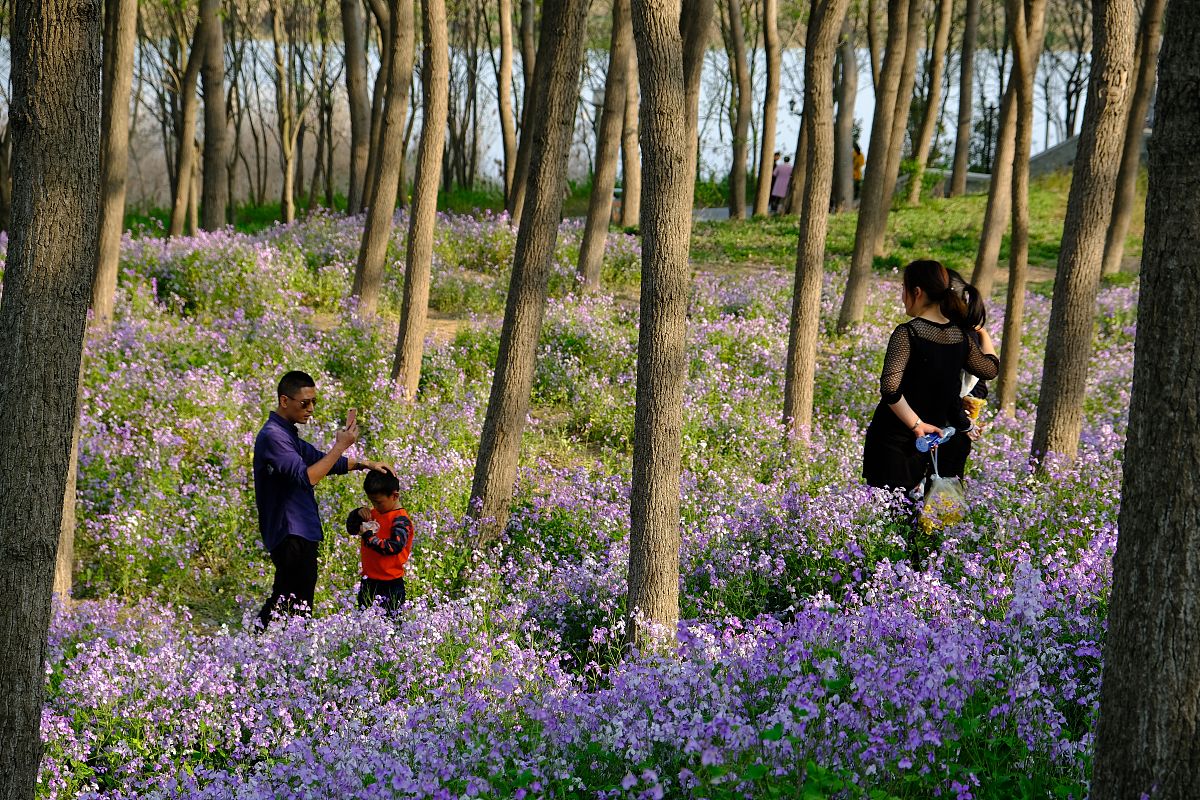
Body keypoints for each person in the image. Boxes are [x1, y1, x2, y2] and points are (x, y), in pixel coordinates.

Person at [253, 370, 391, 629]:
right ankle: (264, 647)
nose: (311, 409)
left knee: (294, 599)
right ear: (285, 401)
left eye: (314, 402)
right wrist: (340, 446)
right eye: (304, 403)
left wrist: (364, 463)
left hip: (300, 529)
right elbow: (308, 477)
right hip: (289, 531)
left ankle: (273, 646)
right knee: (290, 600)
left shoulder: (287, 433)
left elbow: (320, 460)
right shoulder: (273, 436)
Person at [862, 260, 998, 496]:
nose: (902, 298)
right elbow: (990, 369)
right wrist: (983, 333)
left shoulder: (908, 333)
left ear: (917, 292)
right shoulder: (961, 338)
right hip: (932, 442)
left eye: (903, 290)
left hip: (894, 441)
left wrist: (917, 425)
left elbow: (890, 389)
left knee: (889, 515)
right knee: (927, 519)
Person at [937, 269, 991, 479]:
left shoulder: (954, 336)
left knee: (939, 499)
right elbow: (981, 386)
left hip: (946, 429)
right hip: (954, 428)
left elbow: (960, 391)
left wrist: (964, 421)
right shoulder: (968, 334)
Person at [345, 469, 414, 610]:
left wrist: (369, 536)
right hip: (368, 581)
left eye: (378, 502)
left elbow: (393, 547)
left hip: (391, 585)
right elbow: (352, 529)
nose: (375, 506)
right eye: (372, 502)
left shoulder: (400, 520)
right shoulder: (374, 513)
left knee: (390, 625)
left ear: (395, 496)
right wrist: (357, 514)